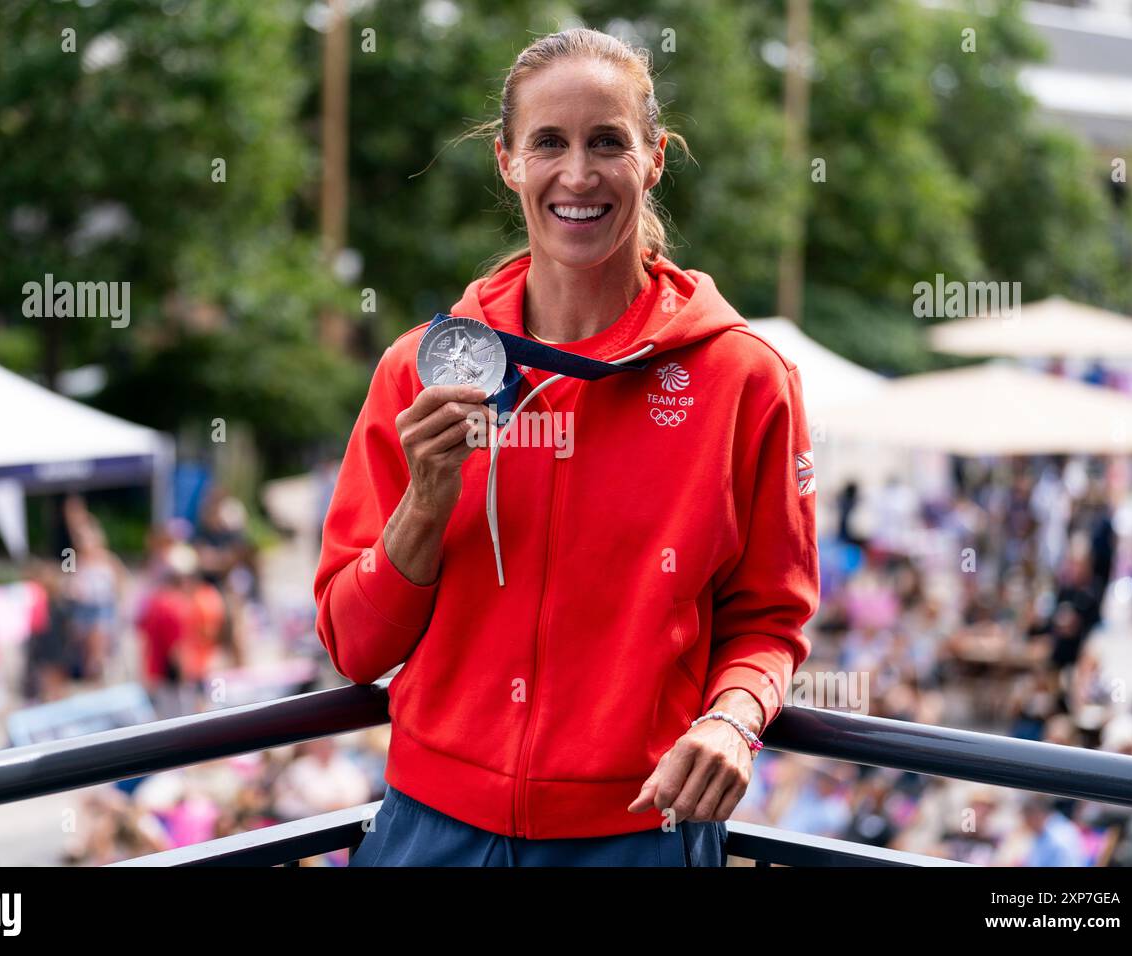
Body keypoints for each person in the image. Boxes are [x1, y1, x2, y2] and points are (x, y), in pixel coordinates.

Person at [314, 28, 818, 867]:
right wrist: (425, 504)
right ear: (508, 160)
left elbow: (770, 618)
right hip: (429, 830)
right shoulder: (420, 370)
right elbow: (354, 645)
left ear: (654, 159)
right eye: (549, 142)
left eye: (607, 143)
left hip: (634, 835)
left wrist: (735, 717)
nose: (577, 174)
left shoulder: (743, 379)